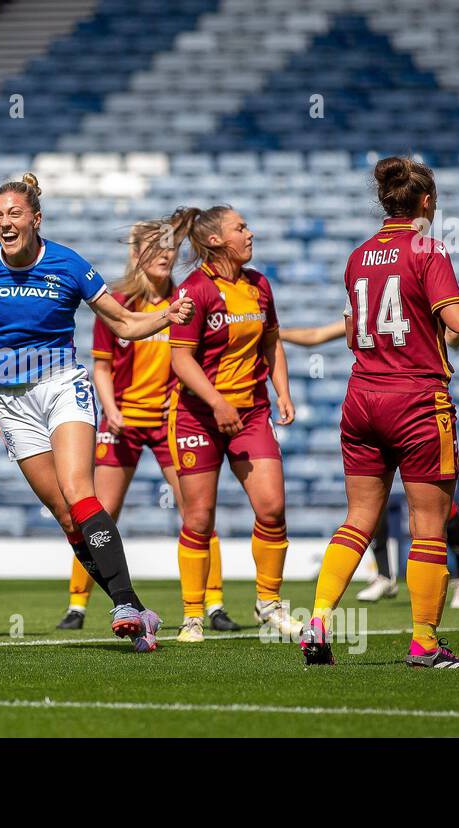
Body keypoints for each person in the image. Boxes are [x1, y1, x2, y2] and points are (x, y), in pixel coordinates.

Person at [0, 174, 194, 653]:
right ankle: (138, 610)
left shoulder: (69, 264)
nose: (5, 222)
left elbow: (125, 323)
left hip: (62, 386)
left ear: (35, 219)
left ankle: (125, 605)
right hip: (11, 399)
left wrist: (168, 316)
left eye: (14, 214)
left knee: (79, 492)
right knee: (68, 519)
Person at [301, 156, 459, 668]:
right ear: (426, 202)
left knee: (358, 519)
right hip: (415, 400)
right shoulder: (428, 249)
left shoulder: (357, 255)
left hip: (361, 399)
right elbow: (458, 319)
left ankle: (320, 620)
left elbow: (352, 334)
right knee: (428, 525)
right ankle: (424, 643)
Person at [56, 221, 240, 634]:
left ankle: (213, 605)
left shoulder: (188, 298)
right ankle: (78, 604)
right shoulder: (117, 303)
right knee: (96, 511)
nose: (165, 254)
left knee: (197, 511)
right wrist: (111, 410)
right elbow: (101, 367)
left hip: (170, 422)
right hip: (122, 424)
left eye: (171, 247)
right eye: (155, 247)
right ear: (136, 252)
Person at [154, 205, 301, 643]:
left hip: (252, 413)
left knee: (272, 508)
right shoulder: (194, 290)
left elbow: (272, 341)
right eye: (241, 227)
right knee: (199, 518)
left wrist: (284, 392)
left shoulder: (259, 285)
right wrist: (216, 402)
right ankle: (194, 615)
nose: (250, 233)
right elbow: (180, 359)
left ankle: (269, 604)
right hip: (198, 416)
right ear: (216, 240)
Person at [276, 321, 459, 607]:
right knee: (370, 505)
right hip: (377, 410)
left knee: (437, 510)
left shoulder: (413, 306)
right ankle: (385, 576)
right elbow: (317, 333)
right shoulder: (369, 310)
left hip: (417, 409)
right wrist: (277, 332)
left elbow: (454, 332)